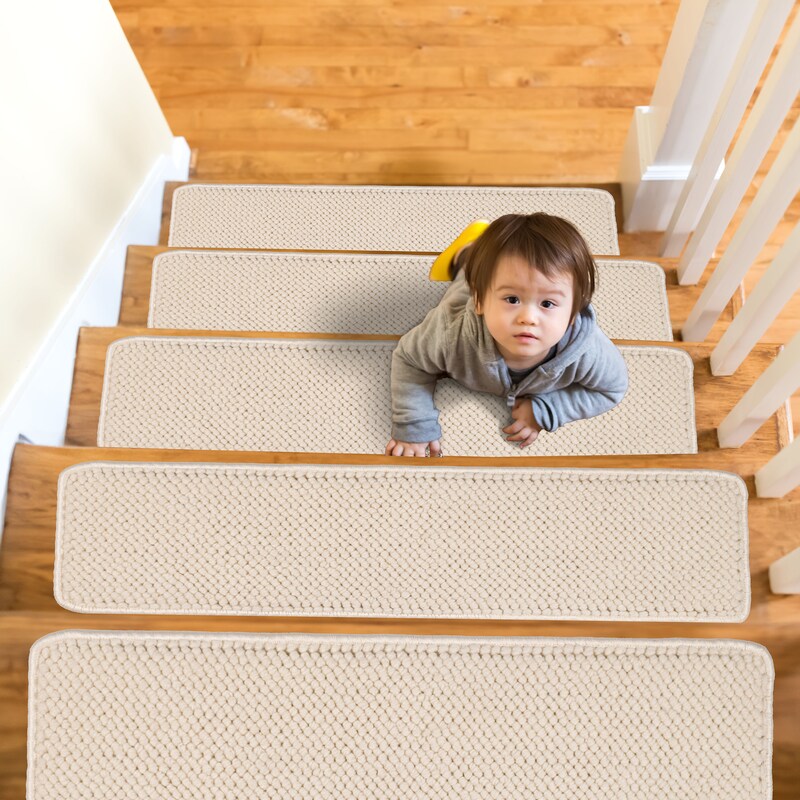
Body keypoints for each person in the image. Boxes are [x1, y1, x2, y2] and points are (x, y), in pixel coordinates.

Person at [385, 212, 628, 457]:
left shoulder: (586, 351)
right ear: (480, 302)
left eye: (547, 304)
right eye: (512, 299)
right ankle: (469, 249)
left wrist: (549, 409)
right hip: (465, 291)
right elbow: (409, 358)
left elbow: (612, 389)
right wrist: (413, 424)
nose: (528, 318)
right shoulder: (450, 333)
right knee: (468, 271)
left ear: (574, 313)